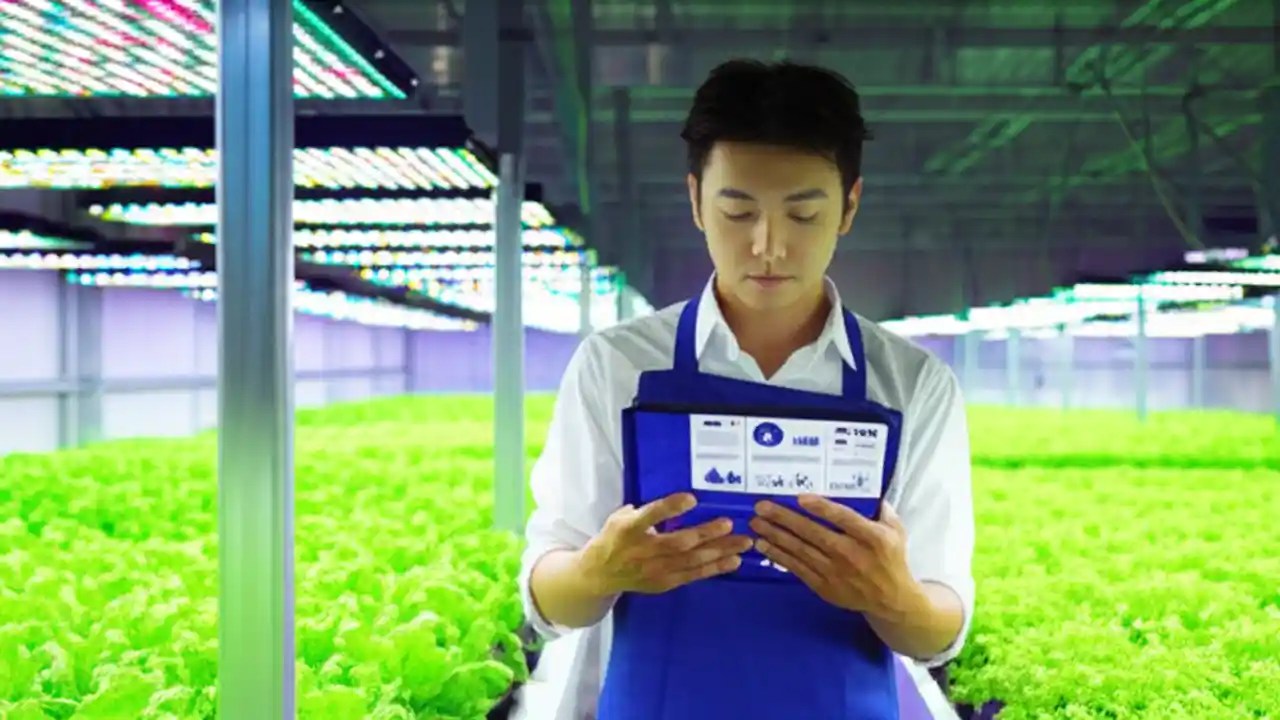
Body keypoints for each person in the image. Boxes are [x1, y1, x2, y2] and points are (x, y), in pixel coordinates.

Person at [515, 59, 975, 720]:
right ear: (696, 200)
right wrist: (600, 572)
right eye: (737, 211)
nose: (768, 245)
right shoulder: (615, 366)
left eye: (803, 213)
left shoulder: (912, 385)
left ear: (849, 206)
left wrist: (891, 595)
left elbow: (941, 626)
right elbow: (549, 603)